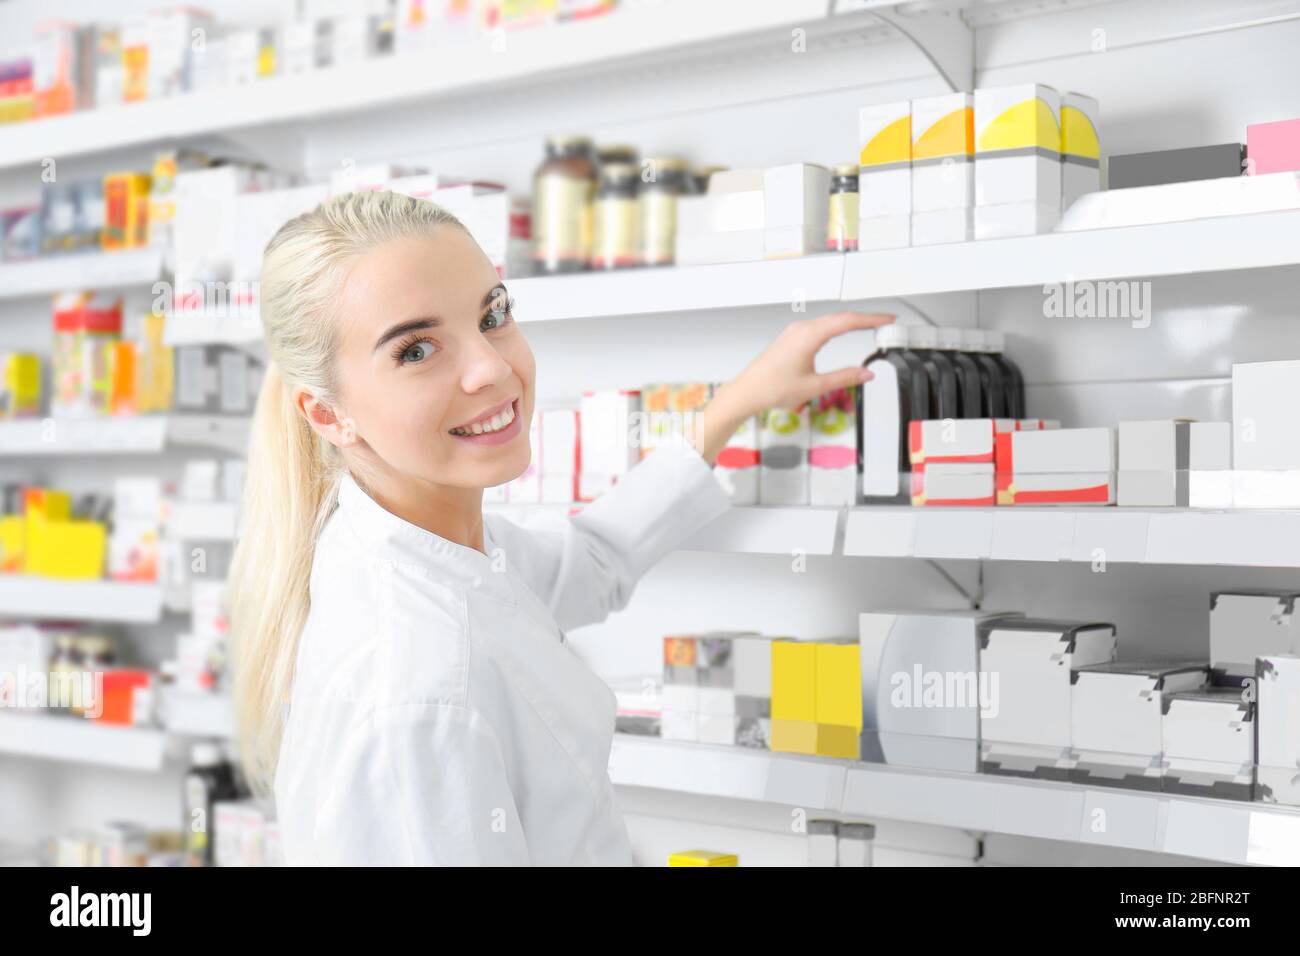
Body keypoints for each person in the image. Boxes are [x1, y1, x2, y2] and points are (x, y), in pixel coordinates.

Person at [228, 189, 892, 865]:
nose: (492, 367)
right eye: (417, 349)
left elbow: (594, 561)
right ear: (328, 414)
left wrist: (737, 402)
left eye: (493, 314)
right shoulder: (419, 684)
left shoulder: (432, 549)